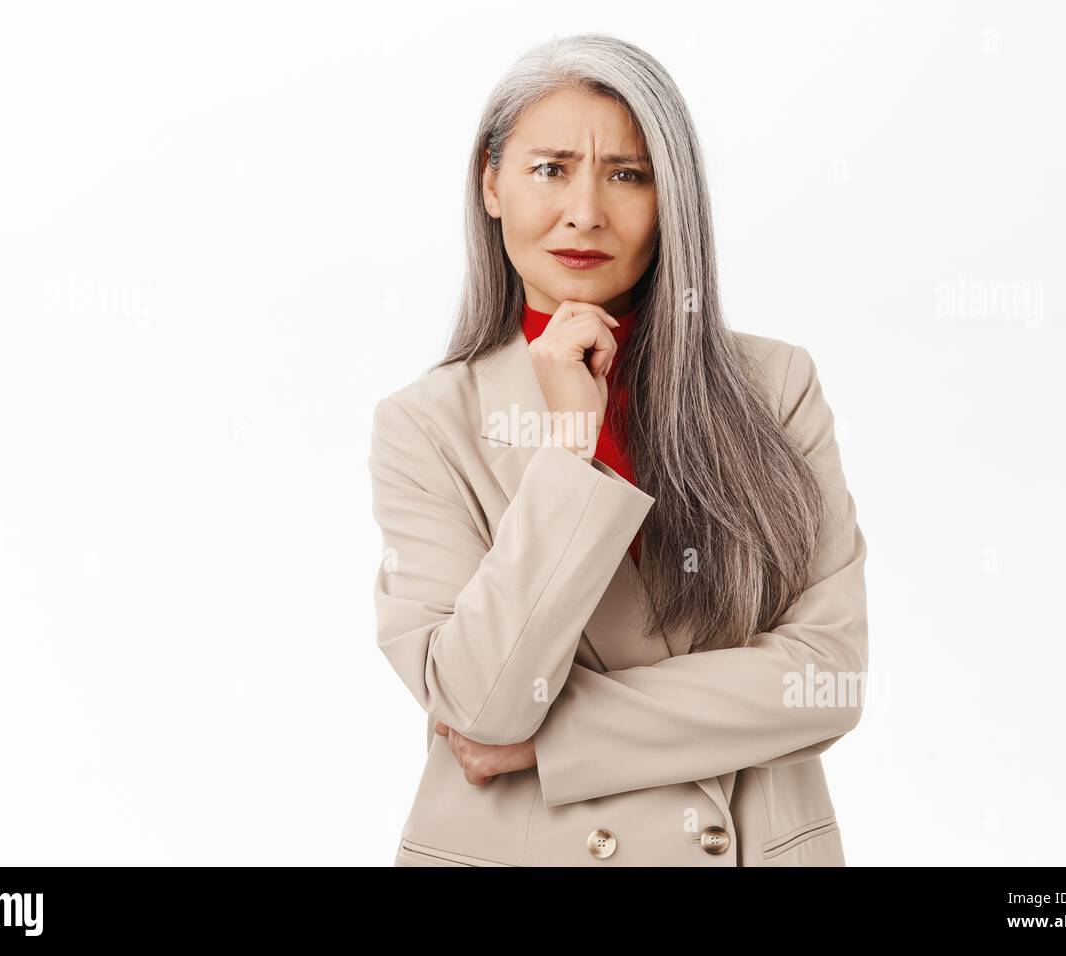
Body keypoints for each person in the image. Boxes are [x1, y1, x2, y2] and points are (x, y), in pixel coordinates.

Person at [368, 33, 868, 866]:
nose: (586, 213)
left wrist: (552, 744)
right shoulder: (427, 425)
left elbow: (826, 680)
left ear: (672, 199)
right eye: (550, 168)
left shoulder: (774, 387)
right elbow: (484, 705)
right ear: (491, 184)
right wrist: (569, 447)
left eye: (628, 175)